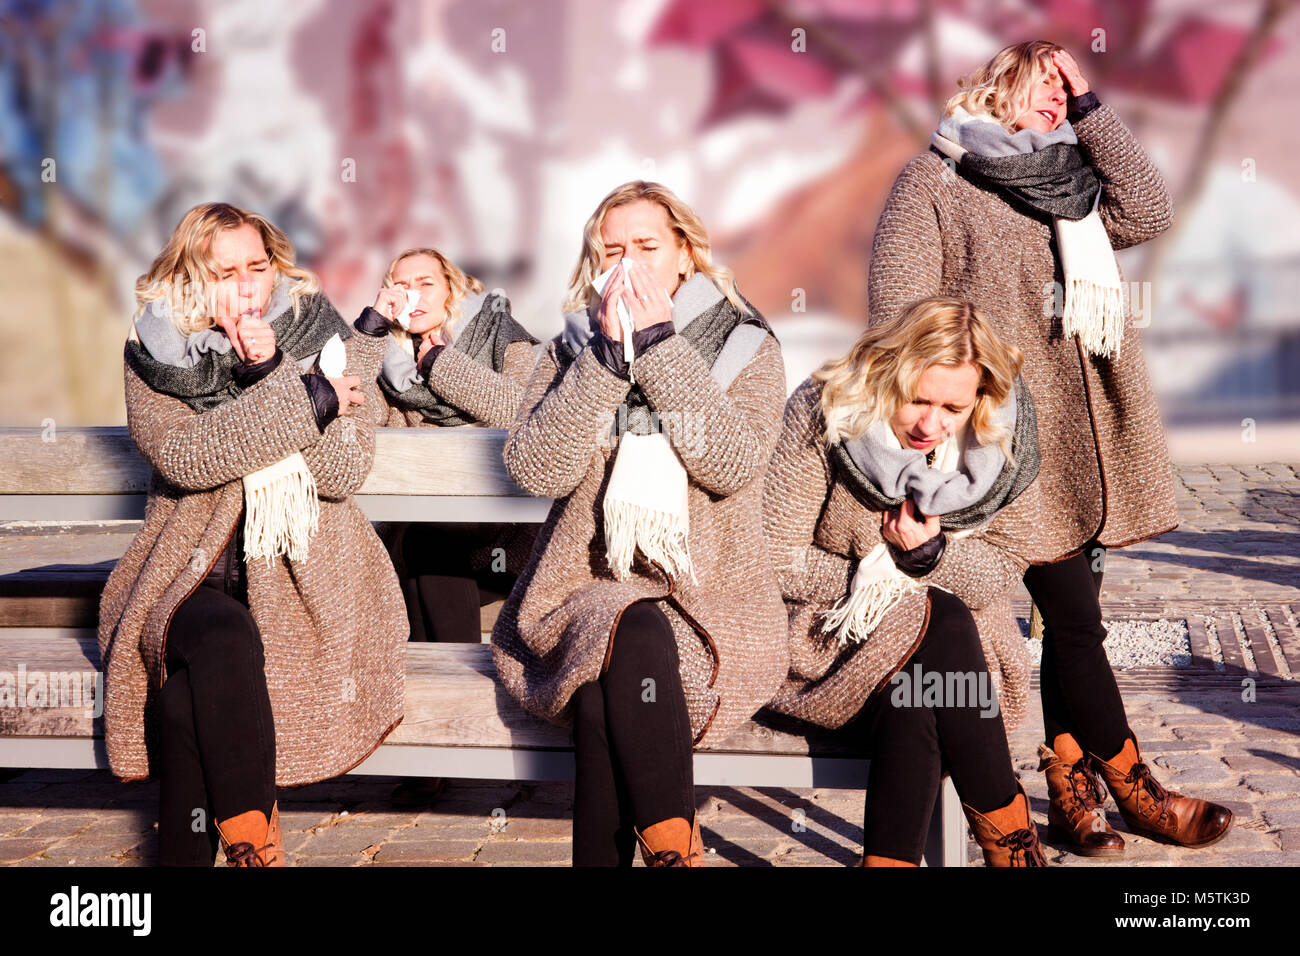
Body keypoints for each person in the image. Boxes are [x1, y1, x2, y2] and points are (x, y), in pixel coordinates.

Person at [868, 40, 1232, 854]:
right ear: (996, 87)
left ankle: (1071, 787)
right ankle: (1136, 787)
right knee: (1072, 617)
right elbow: (899, 317)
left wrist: (1095, 109)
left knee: (1076, 614)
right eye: (1044, 85)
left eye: (1068, 91)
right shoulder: (936, 180)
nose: (1057, 101)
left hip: (1087, 436)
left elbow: (1148, 208)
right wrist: (947, 420)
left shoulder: (1072, 177)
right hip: (1001, 442)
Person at [491, 180, 789, 866]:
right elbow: (538, 470)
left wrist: (656, 347)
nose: (627, 264)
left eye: (647, 248)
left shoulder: (747, 347)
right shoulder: (571, 351)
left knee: (602, 703)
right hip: (583, 591)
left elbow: (731, 463)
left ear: (685, 254)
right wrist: (604, 360)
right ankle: (675, 852)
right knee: (630, 621)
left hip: (709, 599)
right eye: (612, 251)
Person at [100, 201, 407, 866]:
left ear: (276, 268)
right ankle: (255, 847)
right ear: (190, 278)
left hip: (304, 584)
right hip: (185, 574)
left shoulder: (323, 341)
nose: (245, 286)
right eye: (223, 271)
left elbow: (342, 470)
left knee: (185, 701)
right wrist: (311, 401)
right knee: (220, 636)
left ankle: (234, 847)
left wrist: (274, 375)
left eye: (257, 267)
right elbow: (187, 457)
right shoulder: (154, 354)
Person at [765, 296, 1046, 867]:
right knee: (935, 619)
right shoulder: (826, 411)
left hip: (966, 658)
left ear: (981, 399)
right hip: (831, 642)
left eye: (953, 407)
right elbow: (775, 556)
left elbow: (1001, 572)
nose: (931, 424)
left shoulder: (1002, 447)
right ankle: (1011, 838)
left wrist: (930, 558)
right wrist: (887, 572)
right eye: (917, 399)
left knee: (921, 681)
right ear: (885, 372)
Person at [355, 247, 540, 646]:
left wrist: (439, 364)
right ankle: (450, 682)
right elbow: (360, 419)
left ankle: (444, 688)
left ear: (451, 290)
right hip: (426, 531)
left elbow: (522, 409)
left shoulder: (499, 331)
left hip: (503, 534)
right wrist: (372, 330)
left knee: (426, 550)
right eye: (401, 286)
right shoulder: (391, 358)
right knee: (426, 544)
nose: (413, 295)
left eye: (425, 284)